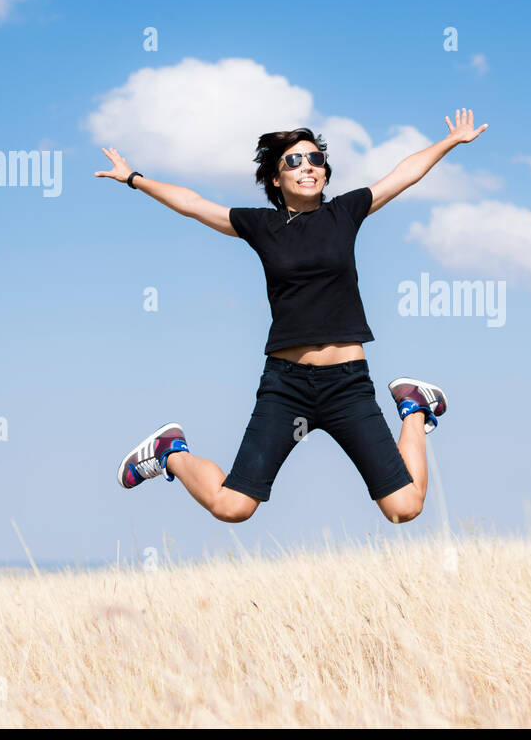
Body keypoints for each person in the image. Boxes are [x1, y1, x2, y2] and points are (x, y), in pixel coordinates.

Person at [94, 109, 487, 524]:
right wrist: (134, 178)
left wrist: (450, 142)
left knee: (405, 507)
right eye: (294, 161)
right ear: (276, 178)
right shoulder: (261, 225)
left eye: (316, 160)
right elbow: (192, 204)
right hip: (287, 387)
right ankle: (170, 453)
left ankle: (415, 408)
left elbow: (402, 175)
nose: (307, 168)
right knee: (233, 507)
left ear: (325, 173)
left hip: (347, 385)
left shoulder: (345, 213)